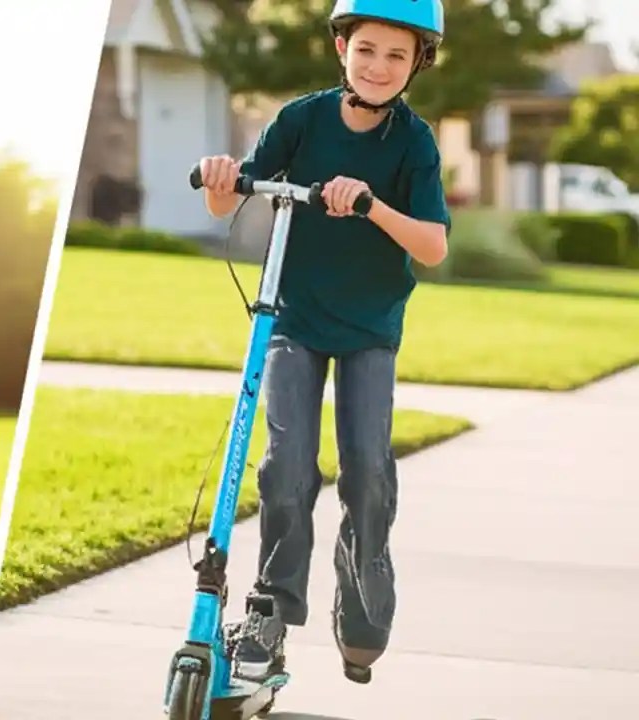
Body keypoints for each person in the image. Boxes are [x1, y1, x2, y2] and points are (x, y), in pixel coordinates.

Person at [197, 0, 450, 685]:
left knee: (366, 467)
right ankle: (271, 612)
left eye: (396, 55)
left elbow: (431, 245)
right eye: (366, 48)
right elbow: (231, 200)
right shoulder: (299, 120)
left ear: (417, 63)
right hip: (293, 319)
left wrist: (370, 203)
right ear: (342, 47)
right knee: (286, 466)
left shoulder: (414, 142)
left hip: (370, 326)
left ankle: (362, 601)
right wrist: (223, 179)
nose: (377, 65)